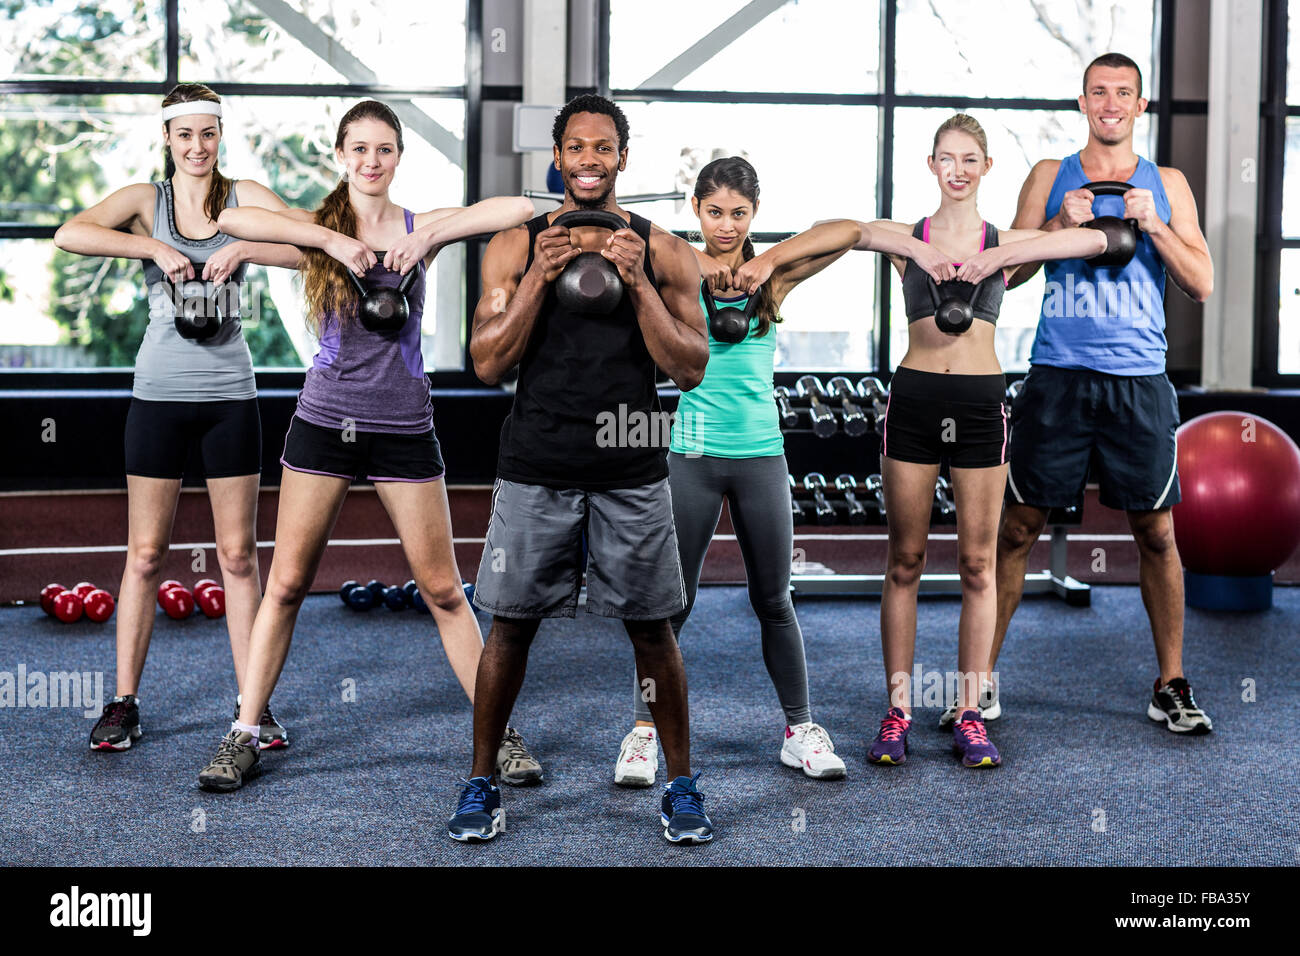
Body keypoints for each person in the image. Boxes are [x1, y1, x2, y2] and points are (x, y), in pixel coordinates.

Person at [192, 100, 538, 791]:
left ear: (398, 157)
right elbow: (228, 220)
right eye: (359, 149)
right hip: (324, 423)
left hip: (404, 425)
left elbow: (518, 208)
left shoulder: (419, 228)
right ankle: (244, 731)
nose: (371, 161)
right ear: (340, 156)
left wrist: (428, 237)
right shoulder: (317, 232)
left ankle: (497, 732)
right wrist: (333, 243)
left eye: (384, 149)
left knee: (443, 590)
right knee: (286, 583)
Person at [449, 94, 713, 844]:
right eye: (576, 147)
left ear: (622, 157)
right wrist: (538, 276)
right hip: (536, 462)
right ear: (557, 157)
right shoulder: (512, 244)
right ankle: (479, 783)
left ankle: (682, 784)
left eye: (603, 147)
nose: (589, 160)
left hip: (631, 466)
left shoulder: (662, 250)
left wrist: (636, 286)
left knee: (653, 632)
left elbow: (690, 368)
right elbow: (488, 362)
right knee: (510, 627)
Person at [845, 113, 1109, 768]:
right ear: (931, 165)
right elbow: (847, 232)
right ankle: (898, 710)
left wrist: (1004, 255)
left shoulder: (1005, 238)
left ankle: (969, 711)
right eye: (945, 158)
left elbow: (1096, 242)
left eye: (969, 159)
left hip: (981, 406)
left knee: (977, 564)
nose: (956, 169)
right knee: (904, 560)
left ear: (986, 168)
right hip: (913, 400)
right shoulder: (907, 237)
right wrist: (918, 253)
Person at [53, 83, 300, 753]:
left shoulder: (243, 198)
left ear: (221, 136)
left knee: (239, 558)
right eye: (185, 134)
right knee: (144, 555)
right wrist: (152, 250)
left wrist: (247, 248)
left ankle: (254, 708)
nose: (198, 146)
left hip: (230, 395)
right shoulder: (144, 201)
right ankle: (124, 702)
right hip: (159, 393)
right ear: (167, 137)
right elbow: (69, 232)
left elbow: (310, 247)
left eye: (209, 134)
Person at [609, 157, 860, 787]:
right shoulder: (676, 271)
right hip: (691, 457)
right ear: (696, 209)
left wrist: (767, 261)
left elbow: (848, 230)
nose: (726, 225)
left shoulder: (768, 282)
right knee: (673, 604)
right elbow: (629, 242)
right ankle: (642, 734)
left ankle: (800, 730)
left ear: (755, 214)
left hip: (762, 457)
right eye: (715, 212)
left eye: (739, 213)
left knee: (775, 600)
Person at [991, 52, 1215, 734]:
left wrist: (1155, 224)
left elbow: (1201, 282)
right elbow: (1004, 274)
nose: (1110, 102)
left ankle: (1170, 684)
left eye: (1124, 93)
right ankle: (977, 683)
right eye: (1099, 92)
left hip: (1140, 381)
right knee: (1019, 528)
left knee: (1155, 531)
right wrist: (1058, 226)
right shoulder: (1047, 176)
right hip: (1058, 374)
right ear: (1082, 102)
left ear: (1140, 106)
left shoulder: (1167, 182)